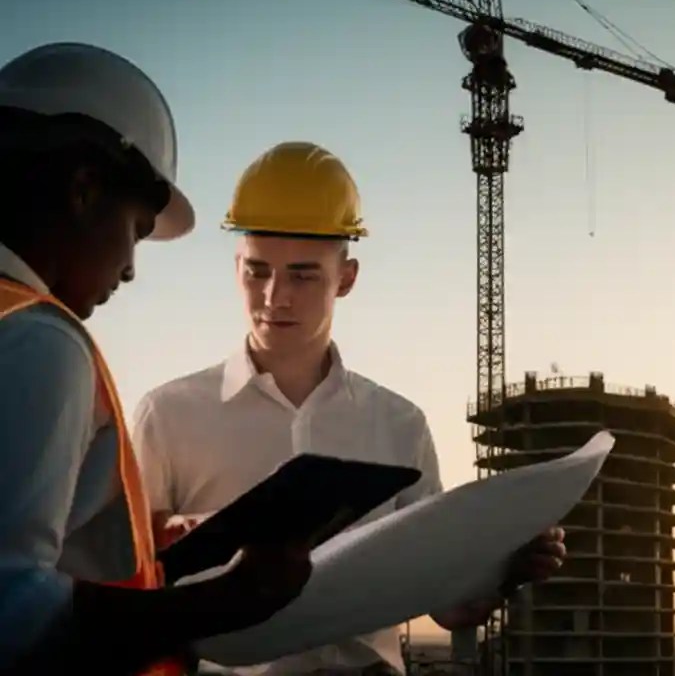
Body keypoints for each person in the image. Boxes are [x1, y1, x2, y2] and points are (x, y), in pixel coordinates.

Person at [132, 140, 567, 676]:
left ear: (348, 277)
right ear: (236, 267)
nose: (274, 297)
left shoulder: (400, 426)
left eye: (303, 274)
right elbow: (128, 594)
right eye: (257, 271)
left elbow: (446, 607)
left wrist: (505, 570)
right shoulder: (167, 417)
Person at [0, 43, 314, 676]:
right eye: (137, 231)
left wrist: (144, 557)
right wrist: (230, 598)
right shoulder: (40, 338)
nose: (130, 269)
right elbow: (13, 617)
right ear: (84, 191)